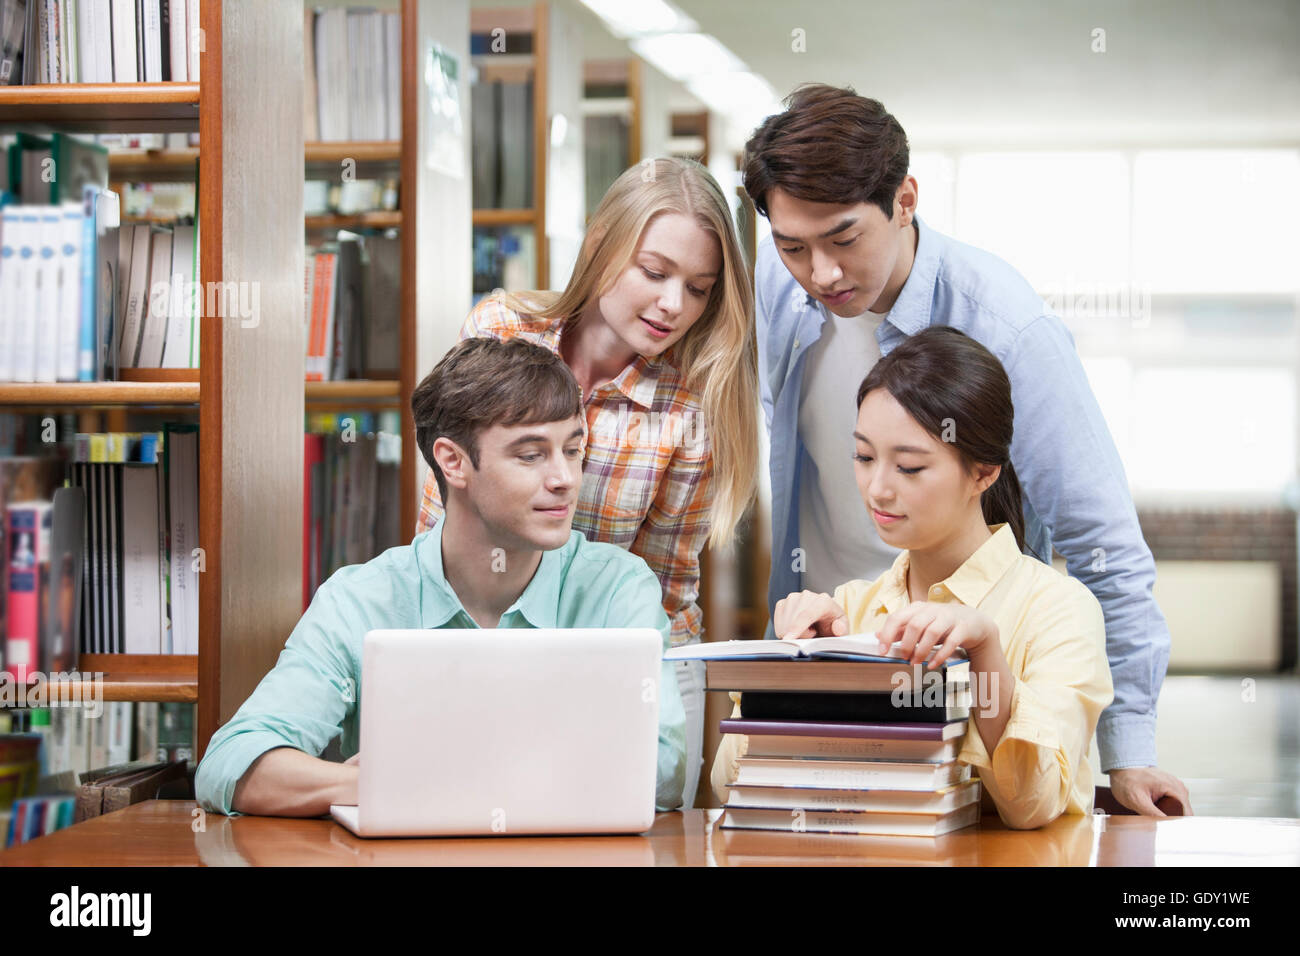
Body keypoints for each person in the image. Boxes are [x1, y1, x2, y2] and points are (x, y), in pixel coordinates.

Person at [743, 83, 1190, 816]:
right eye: (794, 246)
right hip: (838, 640)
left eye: (845, 239)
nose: (820, 273)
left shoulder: (1006, 326)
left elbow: (1101, 537)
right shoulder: (778, 280)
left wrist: (1128, 751)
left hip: (969, 674)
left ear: (906, 199)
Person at [195, 337, 686, 817]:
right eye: (531, 455)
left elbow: (662, 772)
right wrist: (365, 783)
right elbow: (229, 765)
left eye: (573, 450)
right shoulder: (361, 600)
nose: (564, 478)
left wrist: (427, 779)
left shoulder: (618, 591)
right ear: (453, 461)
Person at [414, 157, 760, 808]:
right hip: (477, 645)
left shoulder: (689, 410)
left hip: (615, 664)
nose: (672, 304)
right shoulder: (500, 327)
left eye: (699, 288)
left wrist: (670, 744)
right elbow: (441, 521)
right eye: (655, 272)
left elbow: (662, 592)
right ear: (601, 245)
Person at [712, 328, 1114, 829]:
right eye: (863, 458)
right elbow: (728, 781)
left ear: (983, 472)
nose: (877, 489)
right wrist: (794, 676)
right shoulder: (849, 612)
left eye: (908, 467)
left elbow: (1031, 804)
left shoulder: (1059, 609)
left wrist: (987, 650)